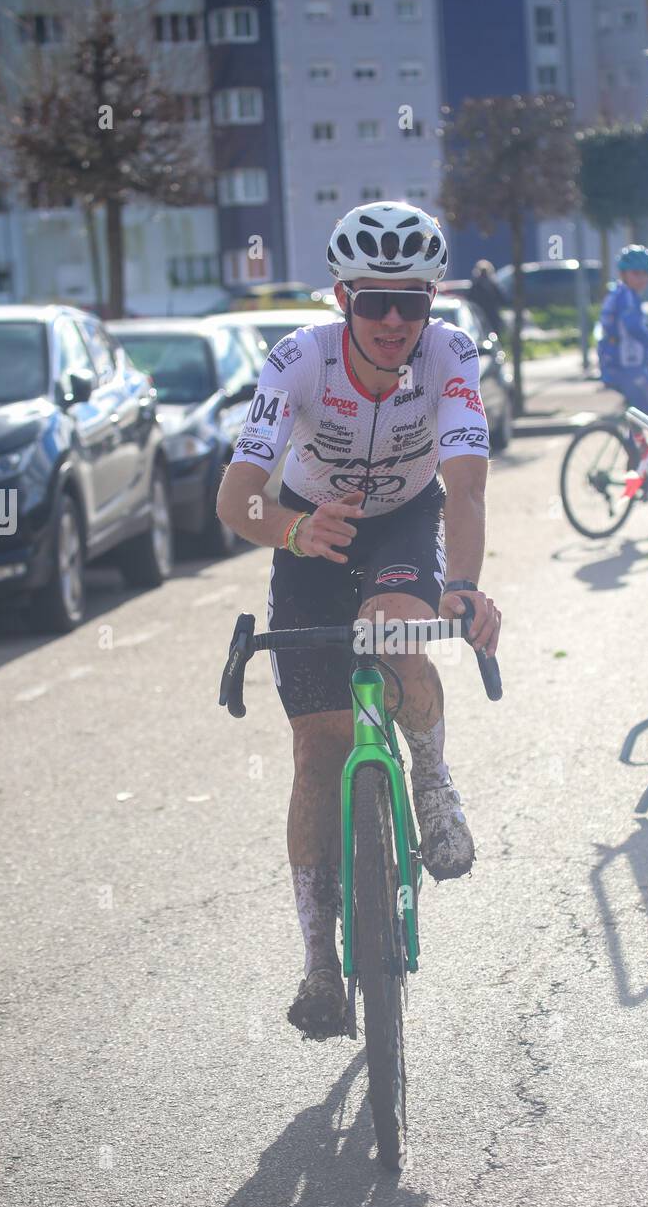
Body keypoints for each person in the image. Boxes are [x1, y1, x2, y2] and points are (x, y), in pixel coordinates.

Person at [217, 201, 502, 1041]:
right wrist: (296, 529)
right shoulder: (296, 360)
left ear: (431, 302)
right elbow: (239, 499)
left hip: (406, 522)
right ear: (342, 298)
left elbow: (470, 484)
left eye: (409, 302)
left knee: (393, 627)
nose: (390, 320)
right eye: (371, 300)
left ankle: (431, 775)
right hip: (308, 529)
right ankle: (317, 963)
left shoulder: (451, 353)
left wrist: (465, 585)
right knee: (317, 747)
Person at [597, 244, 648, 427]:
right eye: (636, 273)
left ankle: (635, 452)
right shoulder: (627, 297)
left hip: (617, 365)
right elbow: (634, 328)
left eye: (646, 273)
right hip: (628, 368)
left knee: (638, 419)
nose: (642, 278)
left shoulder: (619, 293)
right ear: (623, 274)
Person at [469, 259, 506, 337]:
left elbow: (470, 299)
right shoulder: (491, 284)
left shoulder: (477, 285)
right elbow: (502, 299)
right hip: (486, 314)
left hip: (485, 314)